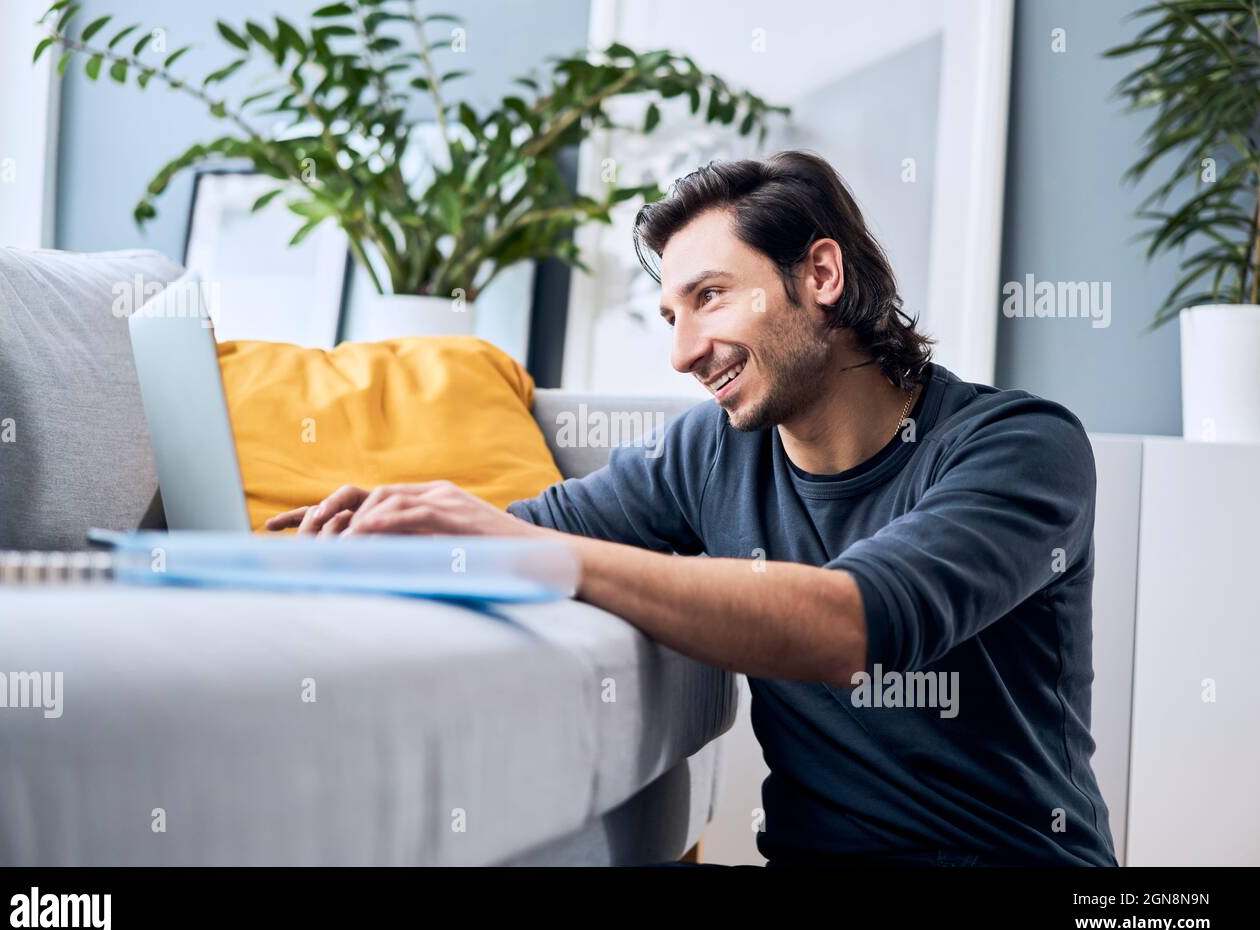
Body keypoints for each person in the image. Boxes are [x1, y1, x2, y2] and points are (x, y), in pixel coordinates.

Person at [267, 151, 1118, 867]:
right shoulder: (712, 450)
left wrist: (527, 550)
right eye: (671, 314)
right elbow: (524, 529)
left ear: (821, 274)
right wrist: (365, 540)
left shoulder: (1018, 446)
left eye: (710, 297)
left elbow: (846, 626)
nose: (681, 352)